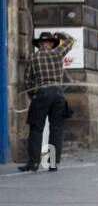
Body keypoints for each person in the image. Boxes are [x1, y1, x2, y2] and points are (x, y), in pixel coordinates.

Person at [17, 32, 74, 172]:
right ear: (51, 43)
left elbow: (28, 81)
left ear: (40, 44)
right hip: (58, 94)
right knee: (56, 129)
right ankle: (52, 163)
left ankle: (34, 163)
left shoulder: (33, 57)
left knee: (36, 129)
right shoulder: (58, 53)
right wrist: (58, 34)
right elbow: (71, 40)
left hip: (41, 93)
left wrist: (33, 96)